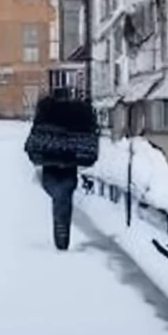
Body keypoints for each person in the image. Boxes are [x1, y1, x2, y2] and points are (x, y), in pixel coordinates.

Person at [24, 89, 99, 251]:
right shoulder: (79, 113)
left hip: (51, 164)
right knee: (64, 194)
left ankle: (61, 234)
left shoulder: (47, 111)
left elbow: (33, 143)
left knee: (60, 194)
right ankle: (62, 234)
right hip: (68, 165)